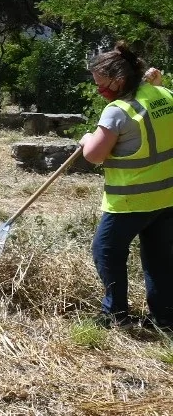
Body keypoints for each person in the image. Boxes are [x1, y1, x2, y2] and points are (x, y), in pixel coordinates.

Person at [79, 42, 173, 331]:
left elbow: (94, 155)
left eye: (102, 85)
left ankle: (115, 314)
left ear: (119, 80)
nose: (99, 91)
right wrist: (157, 84)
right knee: (160, 259)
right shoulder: (164, 94)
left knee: (106, 250)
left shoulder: (117, 111)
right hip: (167, 197)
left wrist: (85, 139)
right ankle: (165, 318)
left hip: (132, 200)